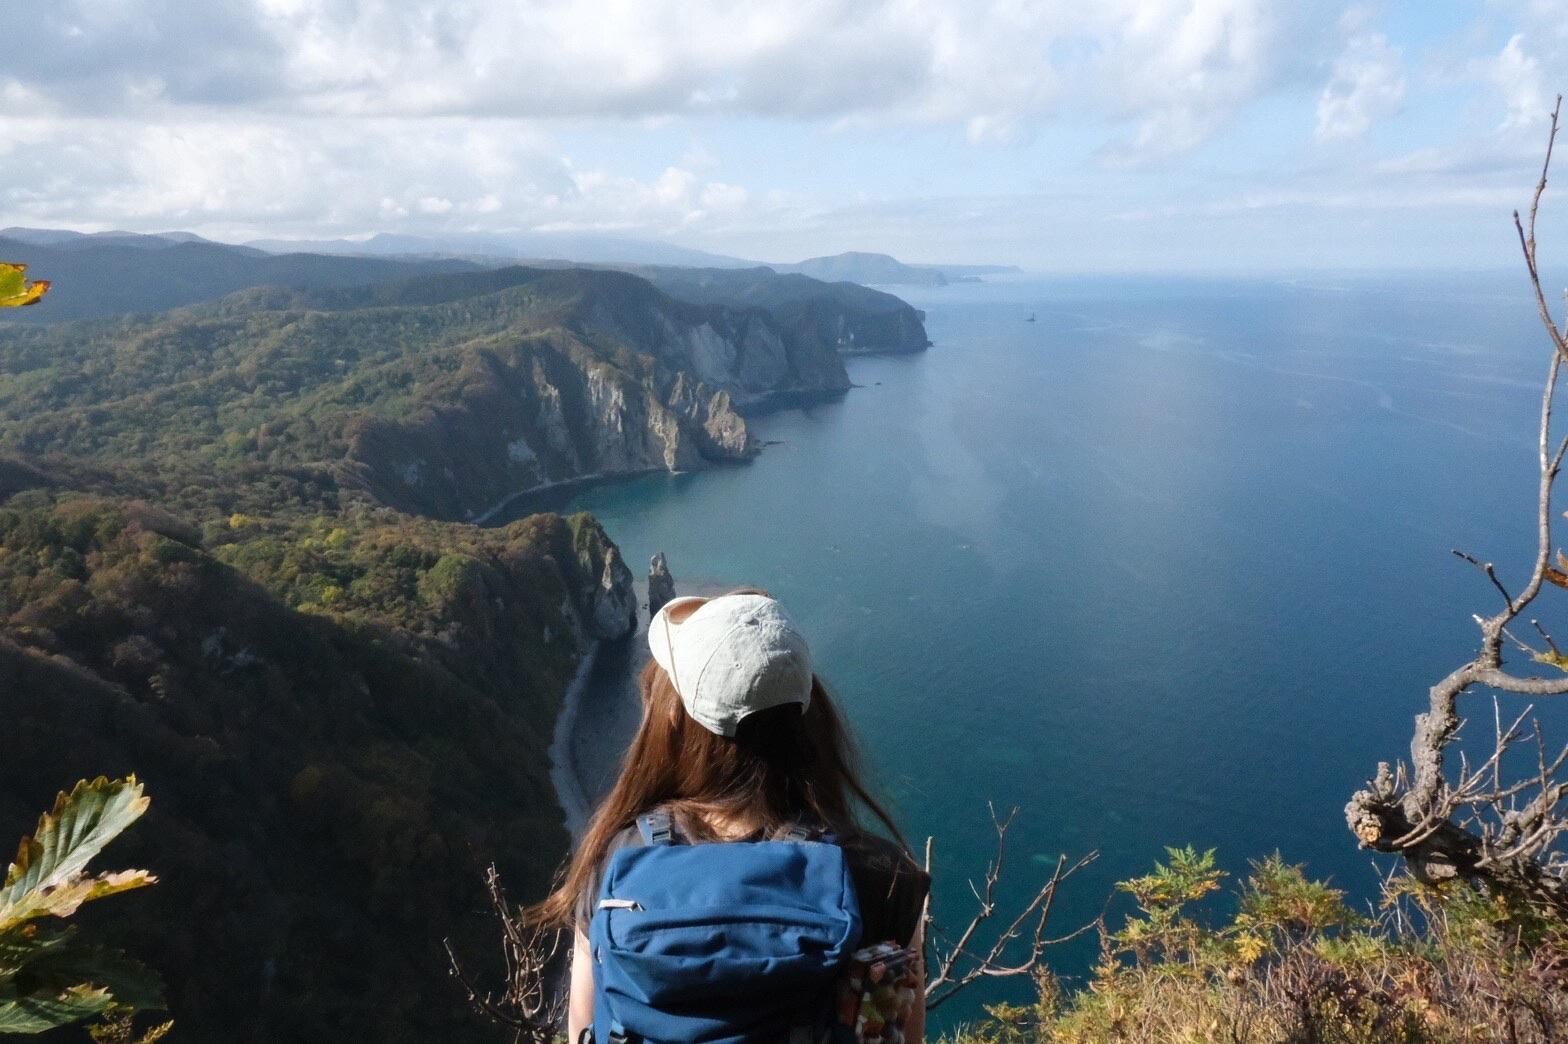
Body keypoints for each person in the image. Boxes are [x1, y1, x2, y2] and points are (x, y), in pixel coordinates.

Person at [527, 590, 930, 1042]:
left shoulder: (614, 862)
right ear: (812, 716)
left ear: (673, 718)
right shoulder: (884, 880)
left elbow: (584, 1026)